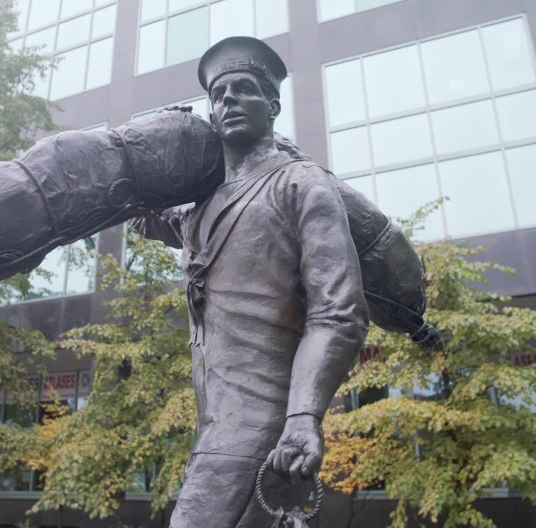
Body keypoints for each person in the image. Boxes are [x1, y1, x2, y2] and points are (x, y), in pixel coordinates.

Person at [133, 36, 369, 527]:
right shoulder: (201, 208)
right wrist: (150, 143)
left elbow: (339, 313)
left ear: (273, 105)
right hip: (217, 424)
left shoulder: (302, 185)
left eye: (244, 90)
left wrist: (303, 416)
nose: (228, 101)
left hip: (267, 423)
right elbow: (141, 216)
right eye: (219, 95)